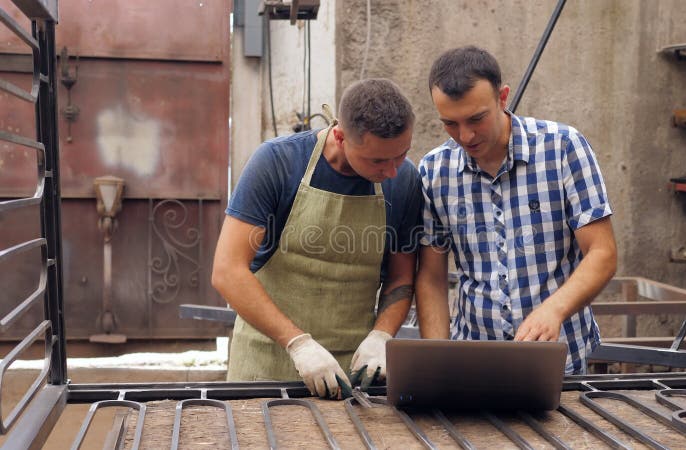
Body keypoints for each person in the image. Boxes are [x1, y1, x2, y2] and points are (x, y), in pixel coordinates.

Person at [212, 78, 422, 398]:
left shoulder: (404, 179)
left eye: (401, 155)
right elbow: (228, 271)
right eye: (378, 161)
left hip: (352, 375)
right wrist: (299, 344)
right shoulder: (277, 163)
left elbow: (401, 279)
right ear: (339, 136)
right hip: (266, 364)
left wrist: (381, 336)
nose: (392, 170)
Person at [415, 46, 617, 374]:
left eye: (476, 119)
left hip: (559, 358)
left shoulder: (563, 148)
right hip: (472, 359)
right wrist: (439, 357)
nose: (465, 135)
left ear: (503, 97)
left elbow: (602, 253)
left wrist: (554, 310)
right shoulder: (435, 170)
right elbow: (431, 277)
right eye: (450, 124)